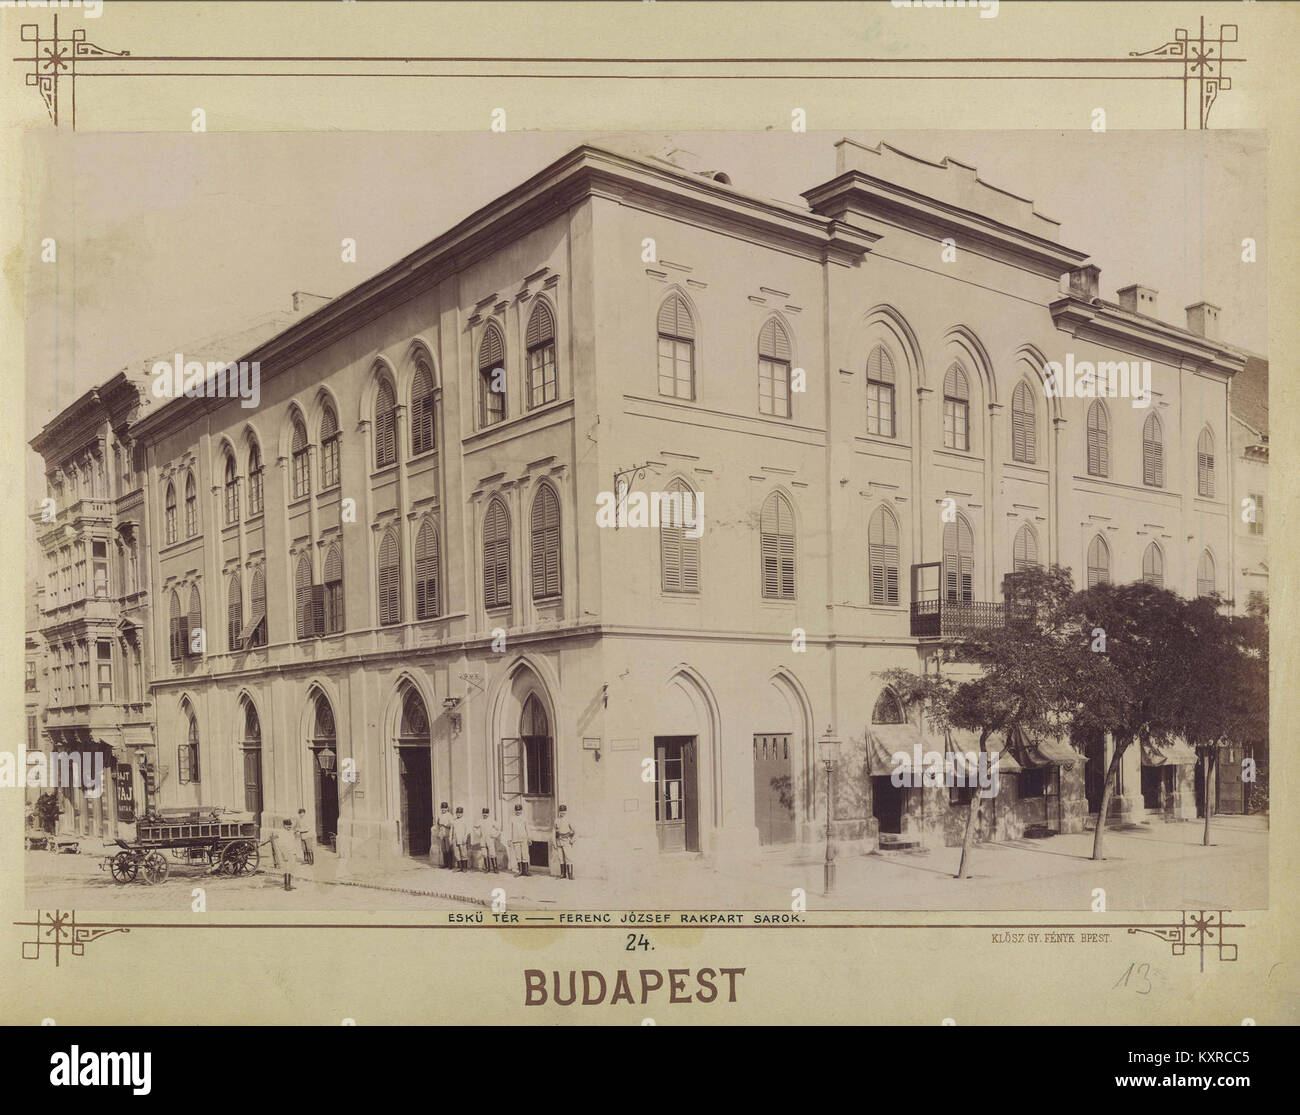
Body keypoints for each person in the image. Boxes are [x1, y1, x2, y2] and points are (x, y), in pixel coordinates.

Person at [265, 818, 299, 891]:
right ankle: (286, 886)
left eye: (290, 825)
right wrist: (283, 853)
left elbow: (293, 841)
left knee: (291, 868)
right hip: (286, 851)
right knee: (287, 868)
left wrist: (295, 852)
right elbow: (281, 844)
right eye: (287, 826)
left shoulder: (291, 832)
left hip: (292, 851)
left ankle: (289, 884)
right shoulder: (282, 833)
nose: (289, 827)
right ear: (284, 825)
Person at [554, 804, 576, 880]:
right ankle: (563, 874)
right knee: (560, 858)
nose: (562, 813)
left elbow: (575, 831)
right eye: (561, 811)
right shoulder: (557, 820)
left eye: (563, 811)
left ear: (566, 811)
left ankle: (570, 874)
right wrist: (554, 842)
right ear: (559, 812)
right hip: (559, 840)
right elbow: (554, 831)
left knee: (568, 857)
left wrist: (572, 840)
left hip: (566, 840)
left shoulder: (569, 820)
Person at [507, 802, 530, 876]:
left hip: (524, 839)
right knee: (518, 855)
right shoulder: (512, 818)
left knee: (525, 854)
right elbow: (510, 829)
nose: (518, 812)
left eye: (519, 810)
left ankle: (526, 871)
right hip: (516, 839)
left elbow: (527, 829)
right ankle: (520, 871)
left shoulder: (524, 818)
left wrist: (529, 838)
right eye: (517, 810)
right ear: (515, 811)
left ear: (521, 810)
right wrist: (509, 839)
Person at [475, 807, 500, 873]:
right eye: (484, 813)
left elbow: (499, 829)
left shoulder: (491, 821)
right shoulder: (480, 821)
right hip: (483, 839)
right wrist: (479, 834)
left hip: (490, 839)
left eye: (486, 813)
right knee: (484, 854)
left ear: (488, 814)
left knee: (492, 853)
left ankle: (495, 868)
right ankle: (487, 868)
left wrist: (494, 835)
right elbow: (475, 827)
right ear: (482, 814)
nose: (485, 815)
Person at [451, 805, 472, 872]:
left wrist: (465, 837)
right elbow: (452, 830)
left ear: (462, 813)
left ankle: (464, 867)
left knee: (463, 853)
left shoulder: (465, 820)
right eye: (457, 813)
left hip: (462, 838)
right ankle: (459, 867)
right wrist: (450, 838)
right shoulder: (454, 821)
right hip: (455, 838)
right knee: (456, 853)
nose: (458, 814)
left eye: (460, 813)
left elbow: (468, 830)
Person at [435, 802, 454, 869]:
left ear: (447, 808)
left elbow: (452, 825)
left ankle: (450, 864)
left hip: (447, 833)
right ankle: (445, 864)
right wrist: (438, 833)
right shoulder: (439, 816)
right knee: (443, 849)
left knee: (448, 849)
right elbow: (437, 824)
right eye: (442, 808)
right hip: (442, 833)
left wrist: (445, 824)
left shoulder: (449, 815)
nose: (443, 810)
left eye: (445, 808)